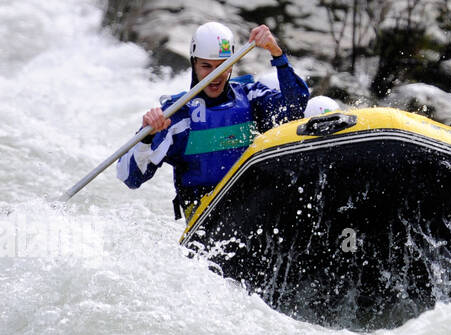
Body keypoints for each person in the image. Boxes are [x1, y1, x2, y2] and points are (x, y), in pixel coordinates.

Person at [118, 21, 310, 220]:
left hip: (253, 206)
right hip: (207, 218)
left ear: (232, 64)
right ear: (193, 64)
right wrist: (147, 136)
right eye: (206, 66)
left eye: (222, 66)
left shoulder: (251, 97)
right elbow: (131, 178)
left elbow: (294, 109)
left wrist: (277, 54)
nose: (215, 75)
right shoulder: (177, 116)